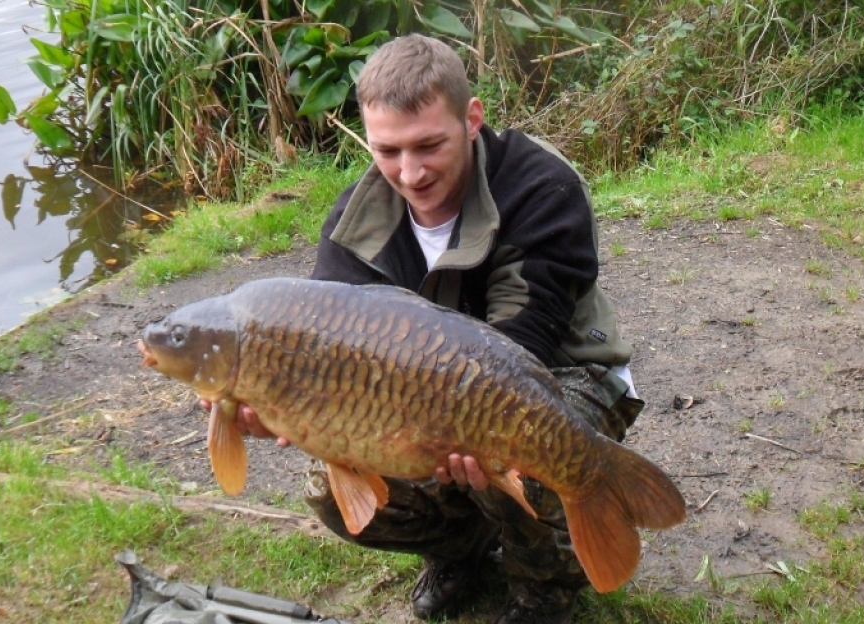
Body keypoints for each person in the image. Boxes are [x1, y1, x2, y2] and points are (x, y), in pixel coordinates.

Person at [228, 33, 644, 623]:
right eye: (387, 150)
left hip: (560, 370)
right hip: (424, 394)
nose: (410, 172)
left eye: (429, 145)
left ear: (471, 119)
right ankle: (459, 552)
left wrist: (465, 434)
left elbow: (518, 354)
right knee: (330, 482)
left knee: (536, 452)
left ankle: (543, 588)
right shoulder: (353, 226)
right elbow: (333, 362)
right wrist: (298, 414)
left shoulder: (540, 184)